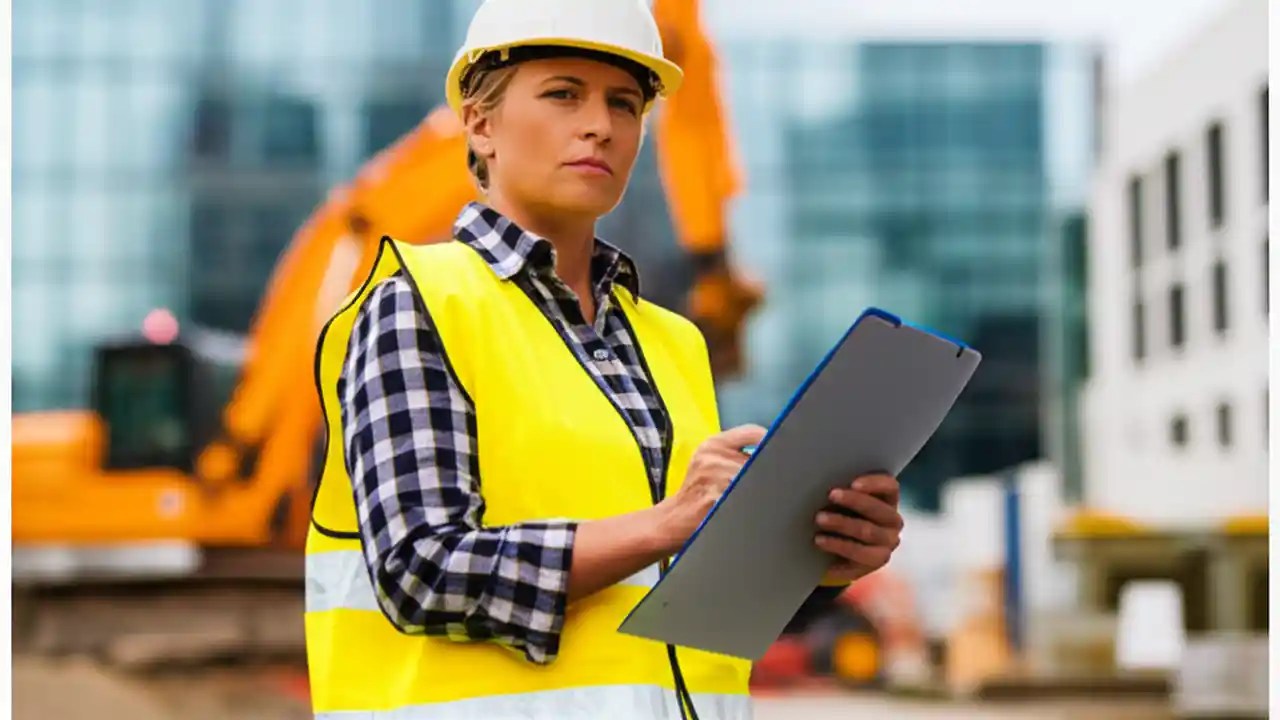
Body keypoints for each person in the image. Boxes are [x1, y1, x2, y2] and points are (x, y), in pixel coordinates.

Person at [304, 1, 905, 718]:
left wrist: (825, 562)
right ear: (480, 121)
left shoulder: (673, 343)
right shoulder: (420, 305)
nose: (601, 125)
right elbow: (422, 570)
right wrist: (666, 522)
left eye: (625, 104)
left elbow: (684, 608)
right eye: (564, 94)